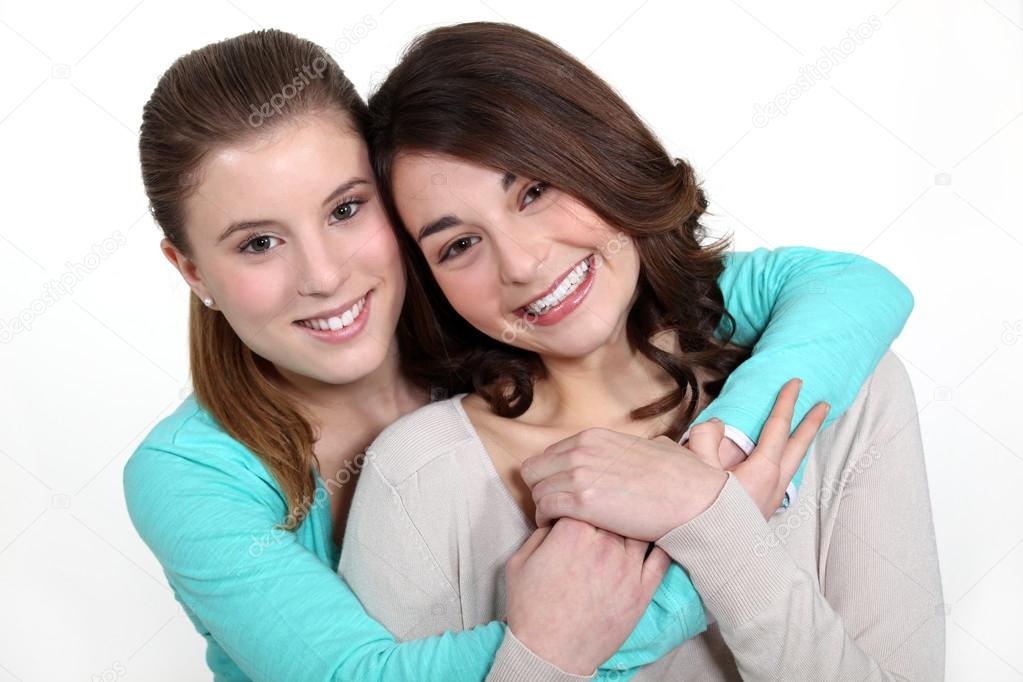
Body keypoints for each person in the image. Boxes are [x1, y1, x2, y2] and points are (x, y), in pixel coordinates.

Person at [124, 28, 916, 681]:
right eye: (259, 243)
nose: (324, 276)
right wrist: (718, 531)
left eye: (345, 209)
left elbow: (838, 288)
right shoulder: (194, 475)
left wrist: (726, 447)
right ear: (192, 271)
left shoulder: (499, 318)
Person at [339, 21, 943, 680]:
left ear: (599, 156)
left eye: (533, 191)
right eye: (457, 245)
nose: (520, 263)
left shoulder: (841, 398)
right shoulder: (421, 477)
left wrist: (713, 518)